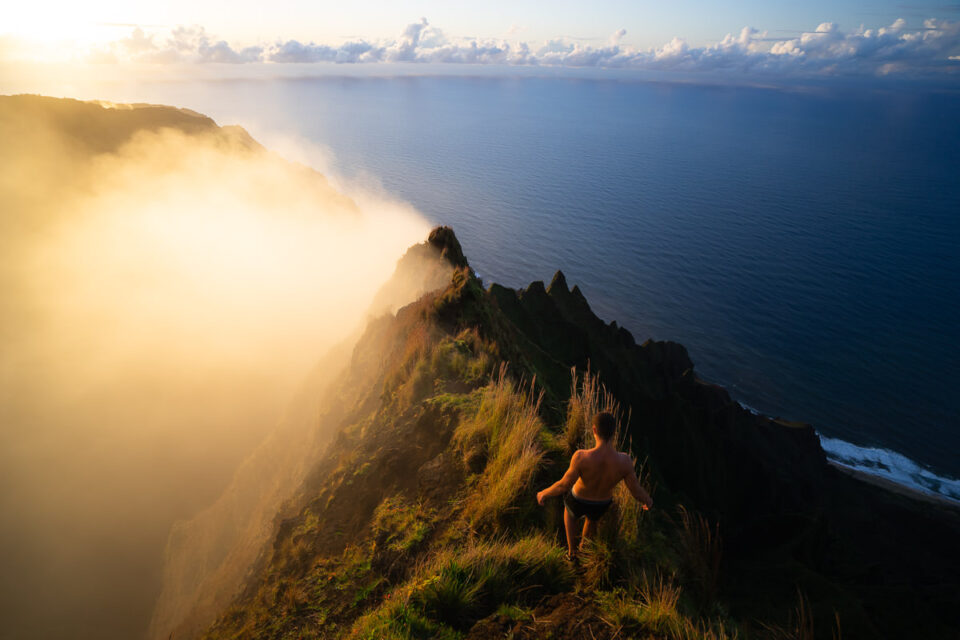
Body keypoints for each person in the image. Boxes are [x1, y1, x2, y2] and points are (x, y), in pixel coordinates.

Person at [536, 411, 653, 559]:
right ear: (614, 432)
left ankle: (572, 553)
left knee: (570, 514)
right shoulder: (625, 461)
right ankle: (583, 550)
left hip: (578, 499)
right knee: (592, 520)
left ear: (594, 430)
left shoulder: (581, 456)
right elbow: (635, 490)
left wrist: (543, 493)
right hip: (602, 504)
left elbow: (563, 485)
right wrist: (647, 500)